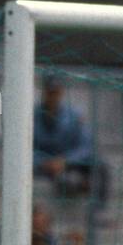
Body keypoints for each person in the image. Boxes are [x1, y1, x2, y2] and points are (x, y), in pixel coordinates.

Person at [34, 75, 109, 203]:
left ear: (62, 92)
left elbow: (86, 146)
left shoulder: (73, 115)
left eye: (56, 92)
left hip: (68, 162)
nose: (53, 97)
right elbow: (27, 148)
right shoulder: (32, 116)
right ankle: (70, 183)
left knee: (100, 168)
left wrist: (65, 160)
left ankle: (98, 211)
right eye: (50, 92)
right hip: (43, 165)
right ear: (44, 92)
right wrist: (44, 161)